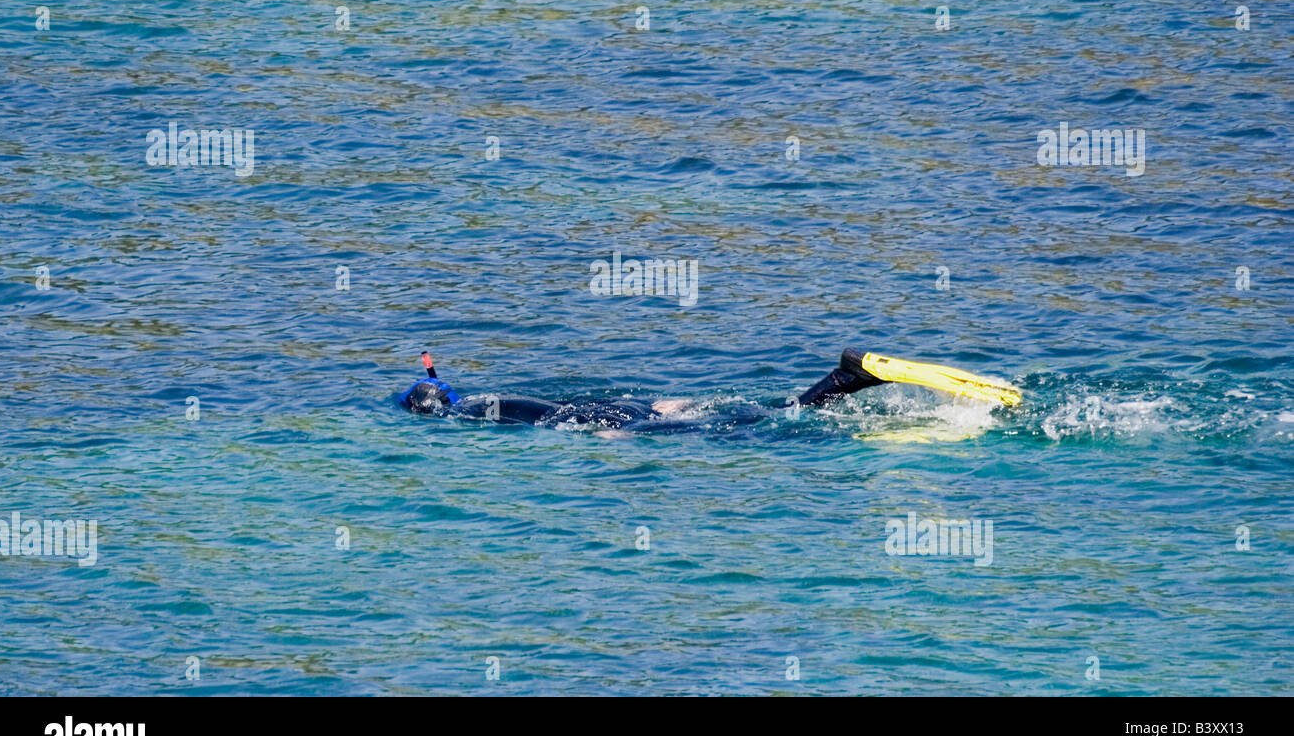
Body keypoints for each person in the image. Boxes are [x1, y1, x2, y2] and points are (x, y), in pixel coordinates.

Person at [398, 348, 1019, 432]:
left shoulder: (472, 419)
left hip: (609, 421)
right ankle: (842, 382)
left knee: (755, 429)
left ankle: (846, 381)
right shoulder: (479, 397)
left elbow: (553, 424)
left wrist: (607, 435)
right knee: (756, 415)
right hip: (623, 406)